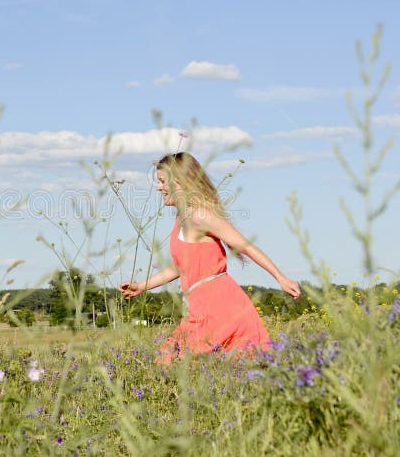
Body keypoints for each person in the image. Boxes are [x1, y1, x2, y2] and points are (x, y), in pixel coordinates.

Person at [119, 152, 301, 364]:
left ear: (179, 181)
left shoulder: (201, 216)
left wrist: (280, 278)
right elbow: (179, 268)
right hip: (198, 307)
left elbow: (246, 247)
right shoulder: (181, 218)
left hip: (219, 305)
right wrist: (141, 286)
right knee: (171, 361)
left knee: (182, 363)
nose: (159, 188)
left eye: (162, 181)